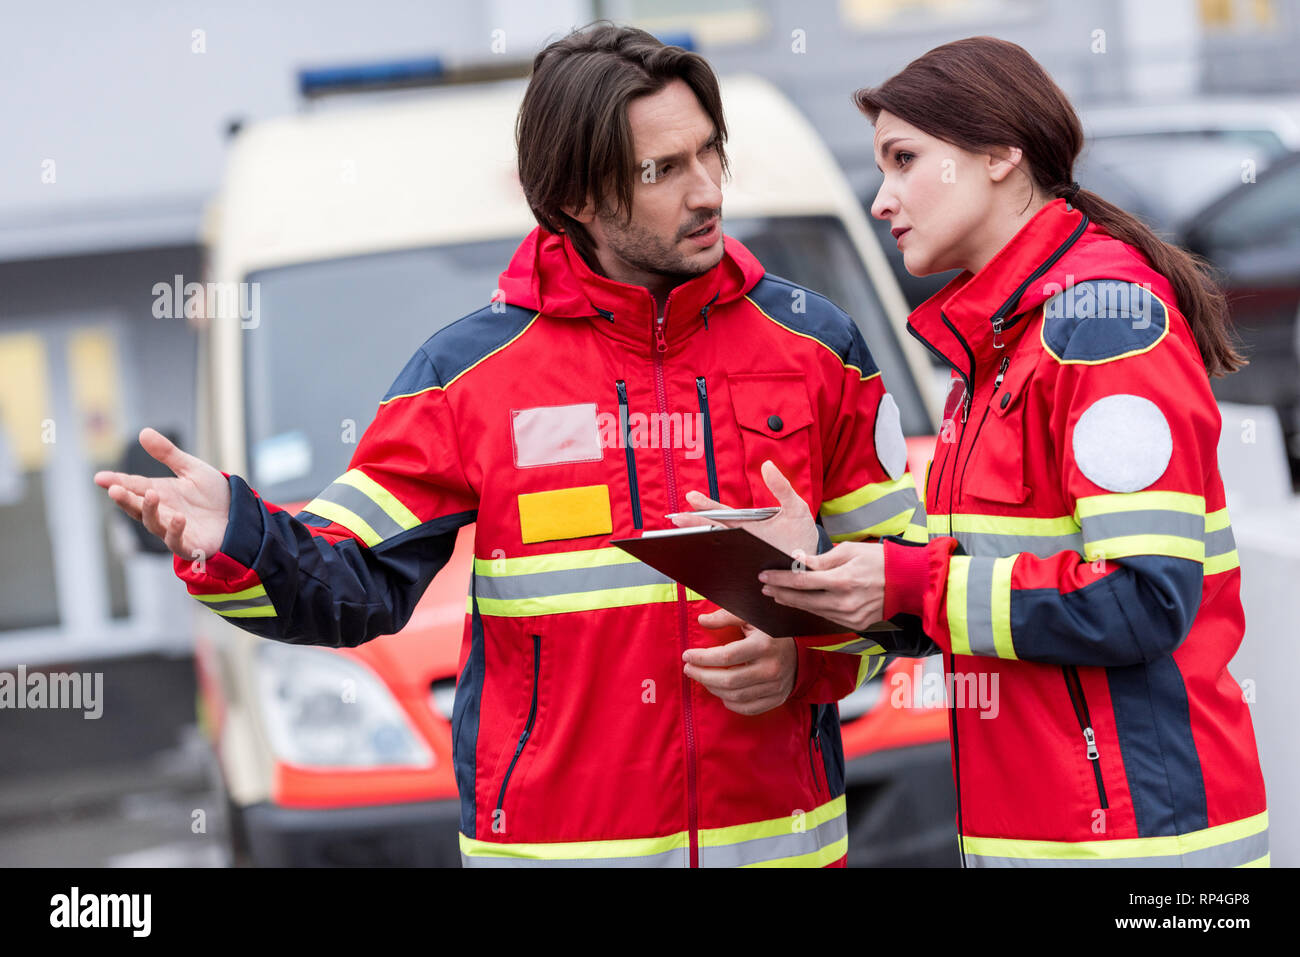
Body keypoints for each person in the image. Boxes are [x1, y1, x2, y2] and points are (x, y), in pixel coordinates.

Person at [94, 22, 920, 867]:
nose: (707, 191)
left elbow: (909, 588)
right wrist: (237, 534)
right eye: (663, 170)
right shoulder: (466, 376)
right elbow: (354, 585)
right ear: (576, 200)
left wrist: (803, 657)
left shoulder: (817, 345)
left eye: (710, 153)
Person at [746, 36, 1269, 867]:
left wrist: (910, 579)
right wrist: (820, 571)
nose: (882, 199)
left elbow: (1142, 600)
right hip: (1035, 837)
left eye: (904, 159)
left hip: (1144, 852)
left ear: (999, 153)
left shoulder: (1103, 328)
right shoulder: (996, 352)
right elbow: (973, 593)